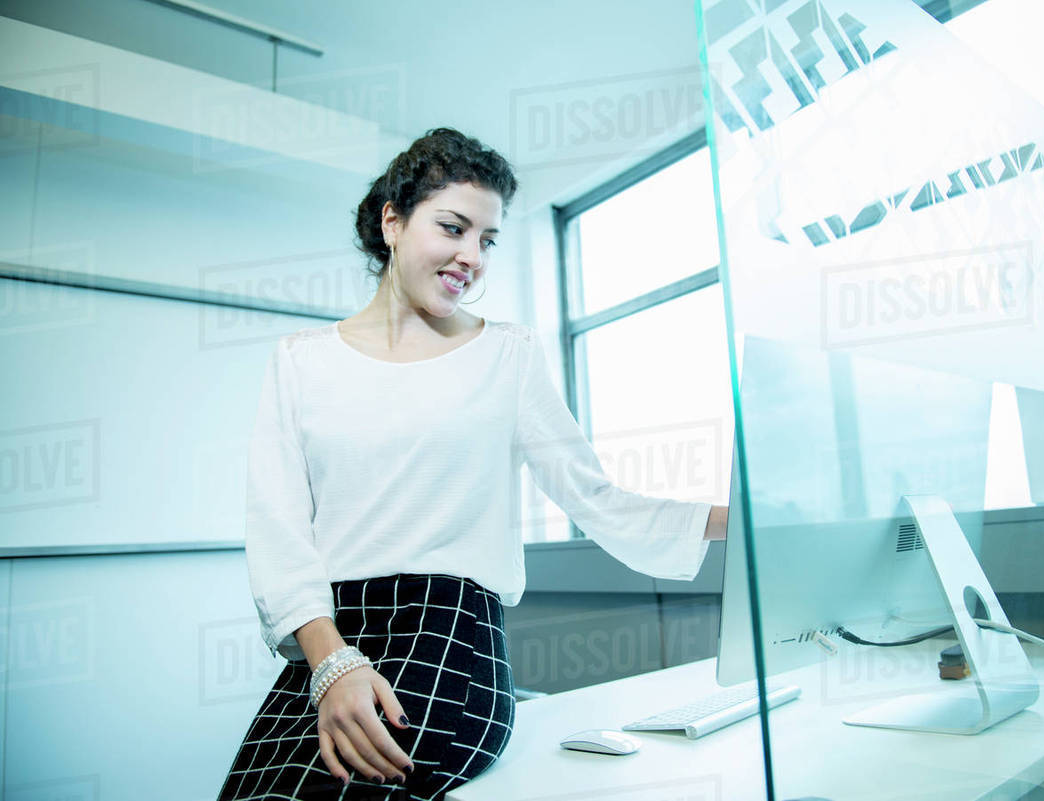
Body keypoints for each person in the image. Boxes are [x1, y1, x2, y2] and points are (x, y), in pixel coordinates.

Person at [217, 127, 729, 801]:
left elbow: (595, 496)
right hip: (329, 651)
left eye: (486, 240)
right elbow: (278, 528)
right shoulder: (300, 361)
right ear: (392, 221)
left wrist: (746, 519)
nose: (472, 257)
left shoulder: (507, 356)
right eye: (454, 228)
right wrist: (332, 661)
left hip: (450, 639)